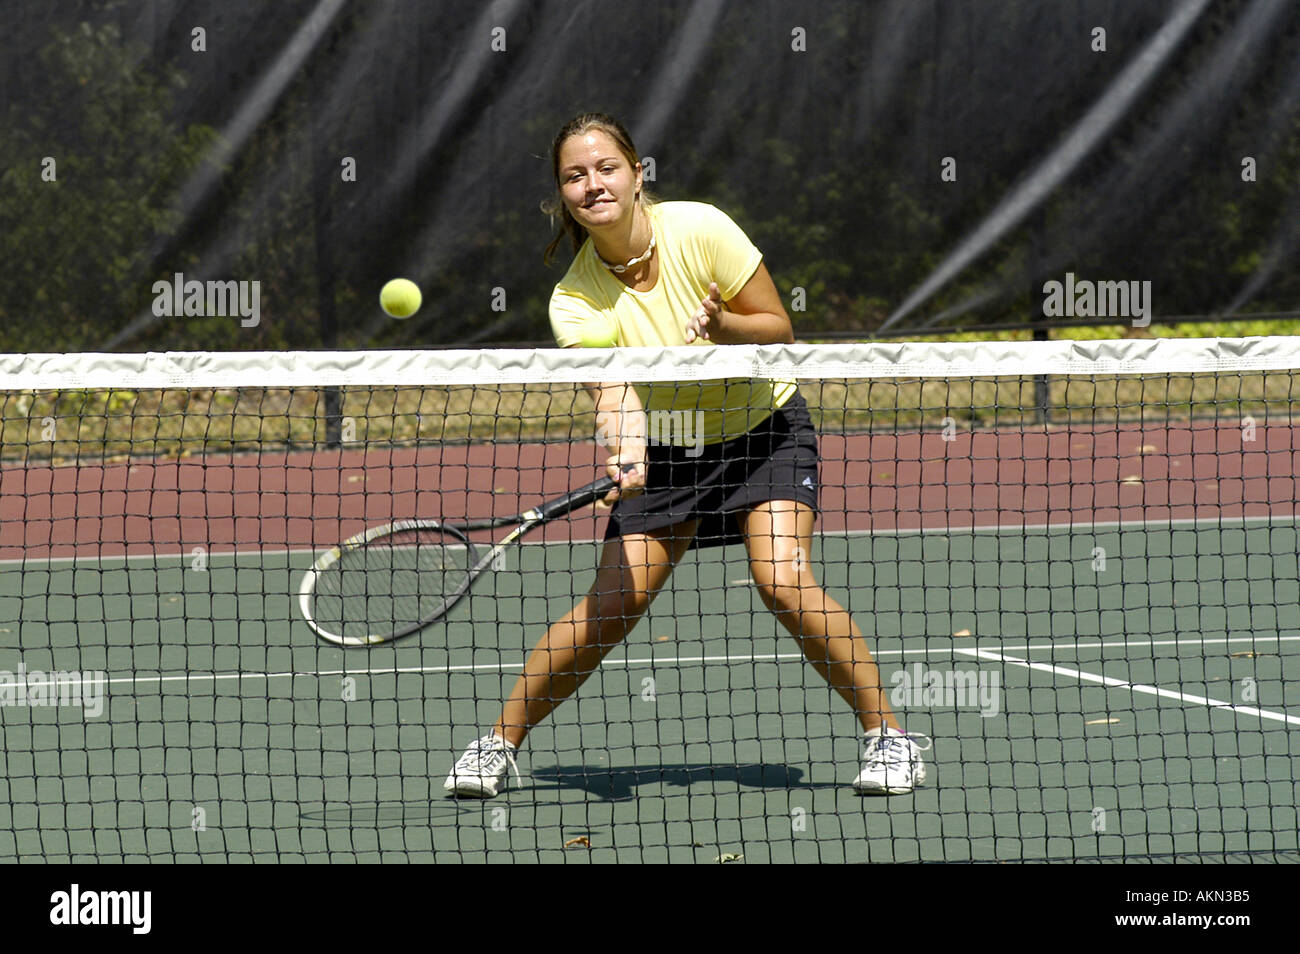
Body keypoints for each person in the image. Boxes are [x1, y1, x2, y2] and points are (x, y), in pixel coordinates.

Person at [445, 113, 927, 798]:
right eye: (575, 176)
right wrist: (627, 452)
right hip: (670, 446)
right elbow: (614, 394)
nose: (593, 184)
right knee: (611, 607)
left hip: (763, 430)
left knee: (781, 581)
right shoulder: (575, 299)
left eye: (606, 167)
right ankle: (496, 744)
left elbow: (779, 329)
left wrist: (724, 325)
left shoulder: (701, 230)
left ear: (637, 173)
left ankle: (890, 737)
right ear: (563, 195)